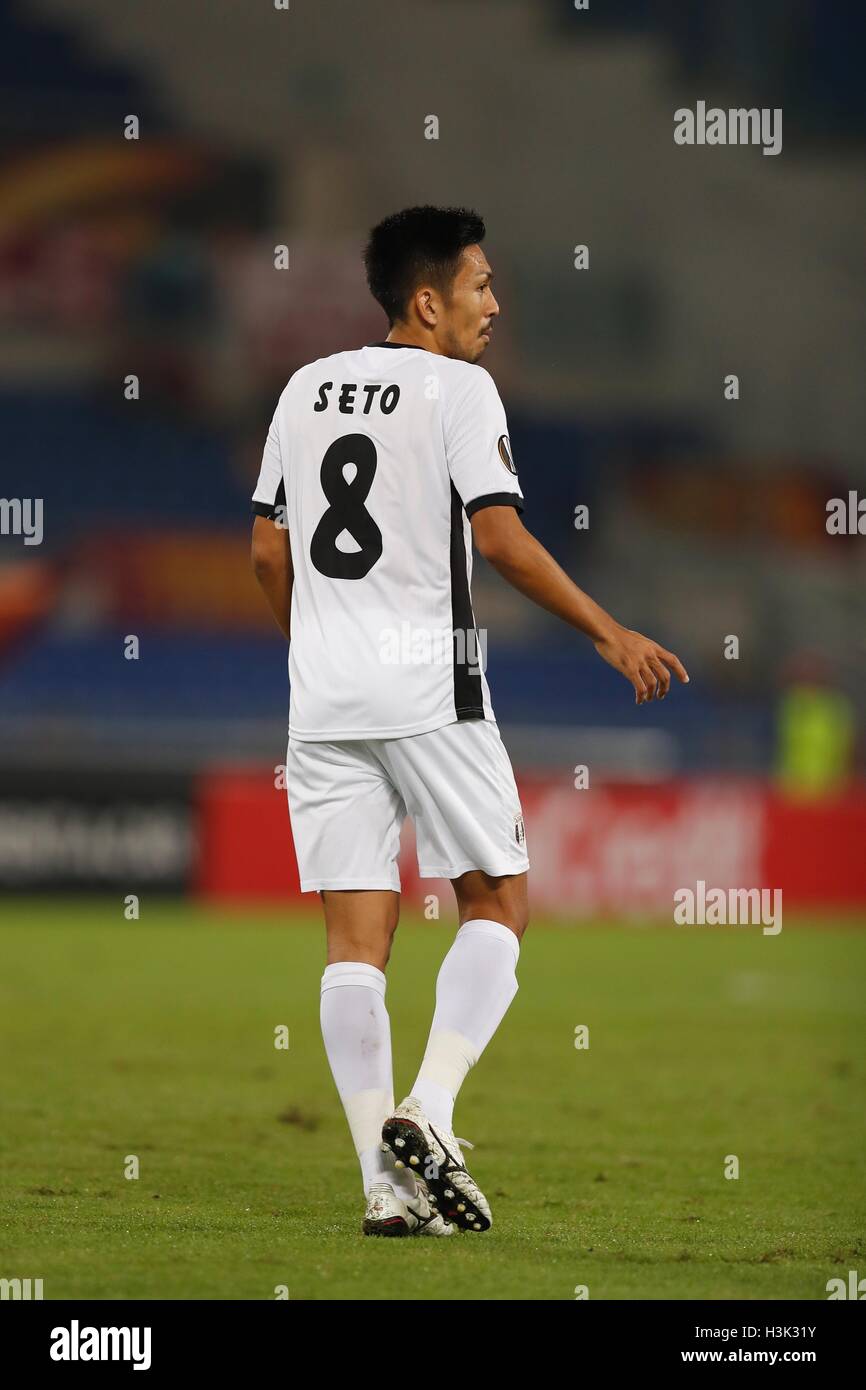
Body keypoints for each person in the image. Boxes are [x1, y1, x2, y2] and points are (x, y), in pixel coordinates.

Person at [251, 205, 689, 1237]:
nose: (494, 304)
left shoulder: (302, 387)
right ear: (426, 300)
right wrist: (605, 628)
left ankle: (379, 1182)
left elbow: (269, 556)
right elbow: (496, 536)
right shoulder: (458, 387)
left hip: (321, 694)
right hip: (426, 679)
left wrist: (315, 650)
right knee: (496, 903)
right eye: (481, 284)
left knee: (353, 942)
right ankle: (432, 1113)